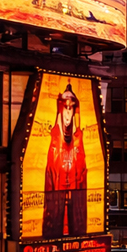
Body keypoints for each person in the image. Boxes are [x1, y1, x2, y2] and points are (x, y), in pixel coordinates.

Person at [43, 83, 88, 239]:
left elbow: (82, 172)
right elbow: (50, 171)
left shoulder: (78, 139)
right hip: (56, 196)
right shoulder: (54, 138)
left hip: (75, 196)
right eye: (65, 107)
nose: (68, 113)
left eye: (71, 108)